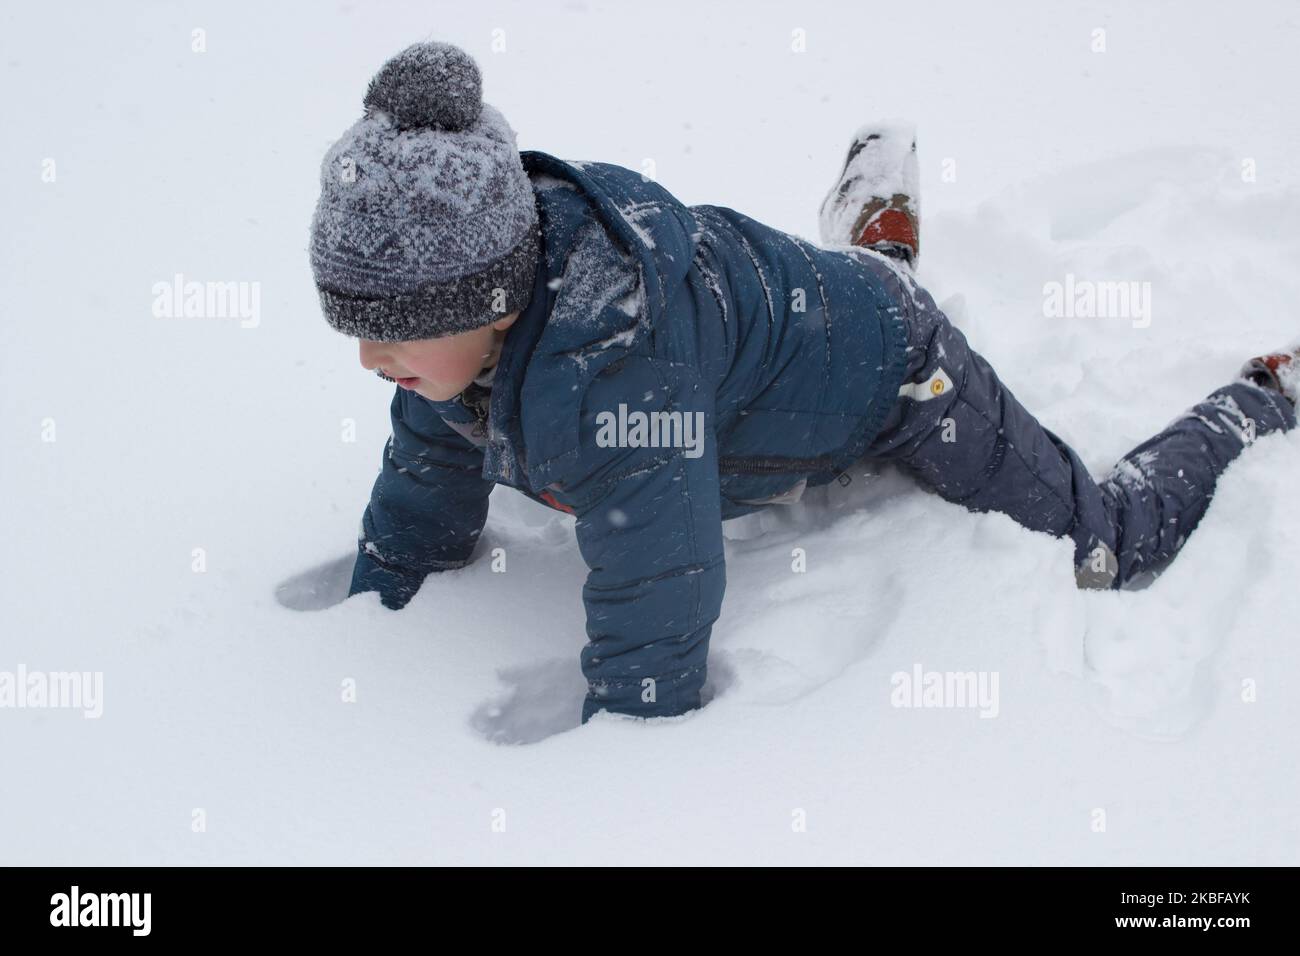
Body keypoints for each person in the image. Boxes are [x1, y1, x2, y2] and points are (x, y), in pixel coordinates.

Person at [309, 42, 1298, 723]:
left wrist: (616, 774)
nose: (371, 361)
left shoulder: (620, 377)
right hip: (797, 313)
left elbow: (662, 590)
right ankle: (875, 227)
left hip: (899, 372)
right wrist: (381, 594)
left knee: (1104, 547)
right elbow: (423, 483)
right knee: (862, 293)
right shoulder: (459, 347)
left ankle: (1257, 398)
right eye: (361, 334)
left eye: (390, 337)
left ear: (488, 301)